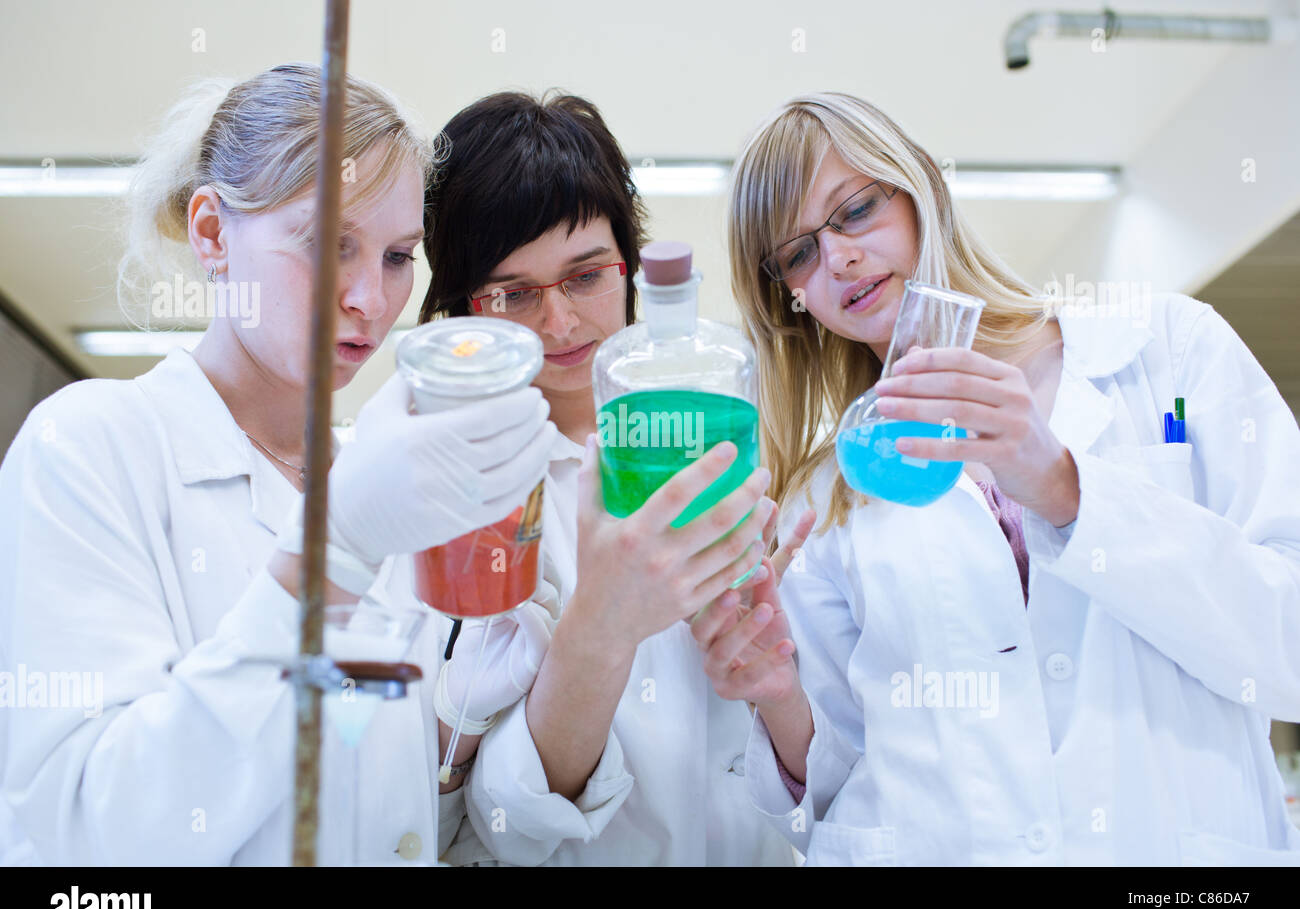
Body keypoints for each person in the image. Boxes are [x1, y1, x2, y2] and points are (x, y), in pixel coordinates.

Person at [694, 91, 1300, 865]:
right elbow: (831, 789)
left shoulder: (1166, 355)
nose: (838, 258)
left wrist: (1063, 487)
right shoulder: (828, 497)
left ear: (921, 194)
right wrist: (777, 692)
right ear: (795, 298)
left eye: (853, 213)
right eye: (799, 256)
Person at [0, 64, 553, 865]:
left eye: (399, 255)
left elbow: (369, 825)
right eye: (331, 244)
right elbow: (92, 836)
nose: (370, 296)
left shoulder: (373, 479)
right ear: (213, 233)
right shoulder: (89, 448)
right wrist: (332, 557)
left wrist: (450, 737)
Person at [419, 91, 812, 865]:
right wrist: (598, 631)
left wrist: (777, 677)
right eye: (514, 294)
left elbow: (833, 769)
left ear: (631, 265)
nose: (559, 323)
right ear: (465, 309)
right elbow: (485, 828)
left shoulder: (732, 421)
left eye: (585, 276)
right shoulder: (454, 495)